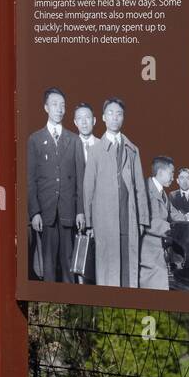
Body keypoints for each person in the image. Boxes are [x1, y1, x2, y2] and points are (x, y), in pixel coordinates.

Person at [82, 97, 147, 288]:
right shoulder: (95, 151)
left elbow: (139, 188)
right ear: (103, 117)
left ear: (123, 118)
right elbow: (88, 188)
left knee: (129, 263)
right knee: (107, 265)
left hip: (129, 216)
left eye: (119, 114)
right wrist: (89, 223)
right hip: (104, 219)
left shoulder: (132, 150)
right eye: (110, 113)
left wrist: (142, 219)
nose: (114, 118)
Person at [26, 87, 82, 282]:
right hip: (46, 212)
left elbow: (80, 181)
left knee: (69, 264)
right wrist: (34, 212)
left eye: (63, 105)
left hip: (68, 211)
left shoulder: (74, 140)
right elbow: (30, 180)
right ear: (46, 108)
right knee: (47, 265)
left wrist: (80, 211)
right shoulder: (34, 140)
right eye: (55, 104)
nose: (59, 109)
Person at [139, 156, 185, 290]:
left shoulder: (162, 191)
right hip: (148, 247)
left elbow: (172, 213)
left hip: (160, 245)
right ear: (160, 172)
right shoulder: (144, 190)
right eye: (171, 173)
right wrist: (171, 228)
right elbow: (144, 220)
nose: (173, 177)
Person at [71, 103, 103, 283]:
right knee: (80, 259)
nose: (84, 122)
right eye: (80, 118)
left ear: (95, 120)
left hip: (100, 214)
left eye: (88, 118)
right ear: (75, 122)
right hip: (77, 212)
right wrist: (80, 211)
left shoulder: (104, 146)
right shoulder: (69, 145)